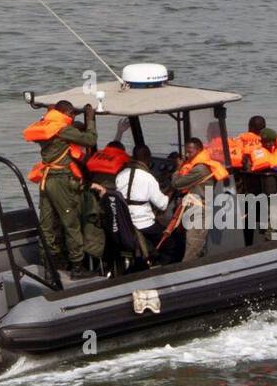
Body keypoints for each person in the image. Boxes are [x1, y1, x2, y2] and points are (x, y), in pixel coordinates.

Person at [24, 100, 98, 277]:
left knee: (47, 225)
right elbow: (91, 139)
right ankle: (77, 268)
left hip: (46, 179)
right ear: (69, 114)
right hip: (61, 180)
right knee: (71, 224)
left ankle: (48, 266)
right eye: (72, 116)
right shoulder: (62, 129)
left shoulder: (46, 124)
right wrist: (90, 119)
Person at [93, 145, 169, 264]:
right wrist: (168, 194)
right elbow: (162, 205)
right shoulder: (149, 178)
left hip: (123, 223)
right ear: (148, 159)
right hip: (143, 223)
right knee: (170, 243)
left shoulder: (121, 175)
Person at [164, 137, 230, 263]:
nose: (187, 155)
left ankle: (185, 273)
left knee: (193, 244)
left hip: (199, 211)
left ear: (199, 151)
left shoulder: (200, 169)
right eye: (186, 152)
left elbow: (177, 183)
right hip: (192, 208)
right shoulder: (196, 165)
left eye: (190, 152)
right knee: (187, 241)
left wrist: (178, 168)